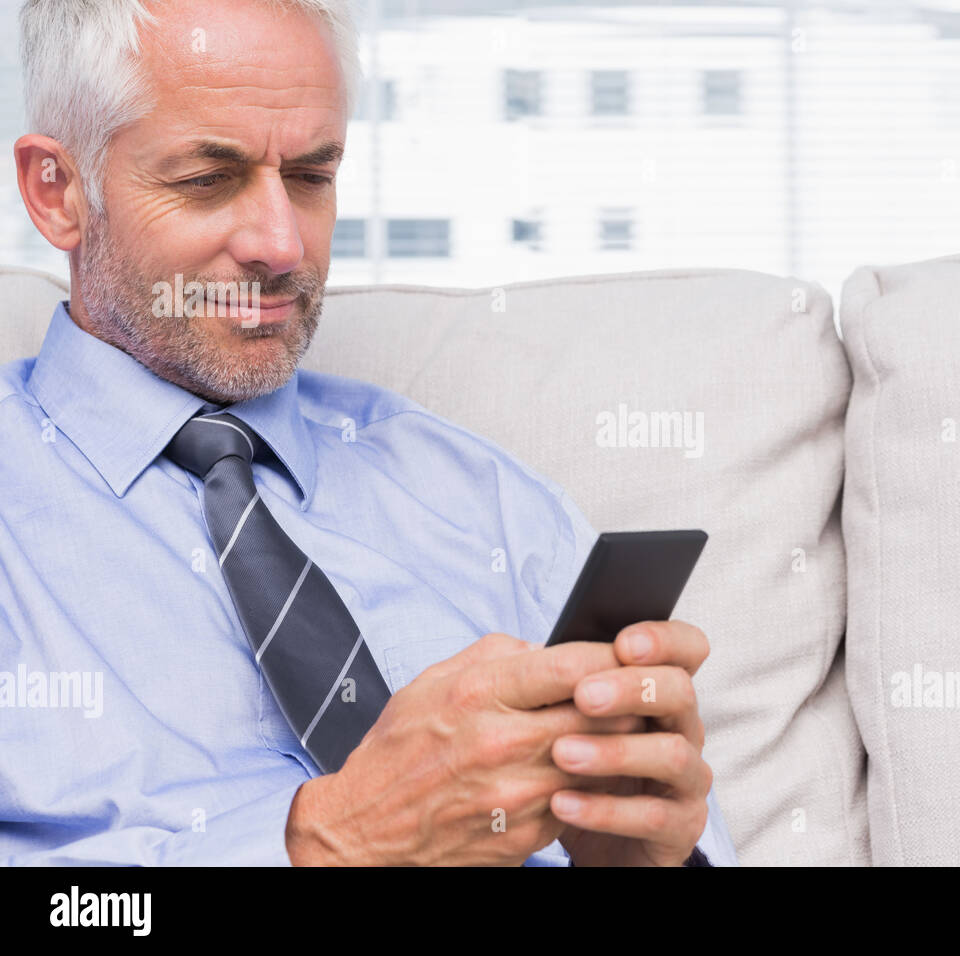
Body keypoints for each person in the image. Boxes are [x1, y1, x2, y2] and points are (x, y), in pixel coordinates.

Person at [0, 0, 737, 867]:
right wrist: (329, 844)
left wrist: (635, 859)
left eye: (311, 176)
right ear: (59, 193)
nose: (282, 245)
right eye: (208, 178)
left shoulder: (486, 504)